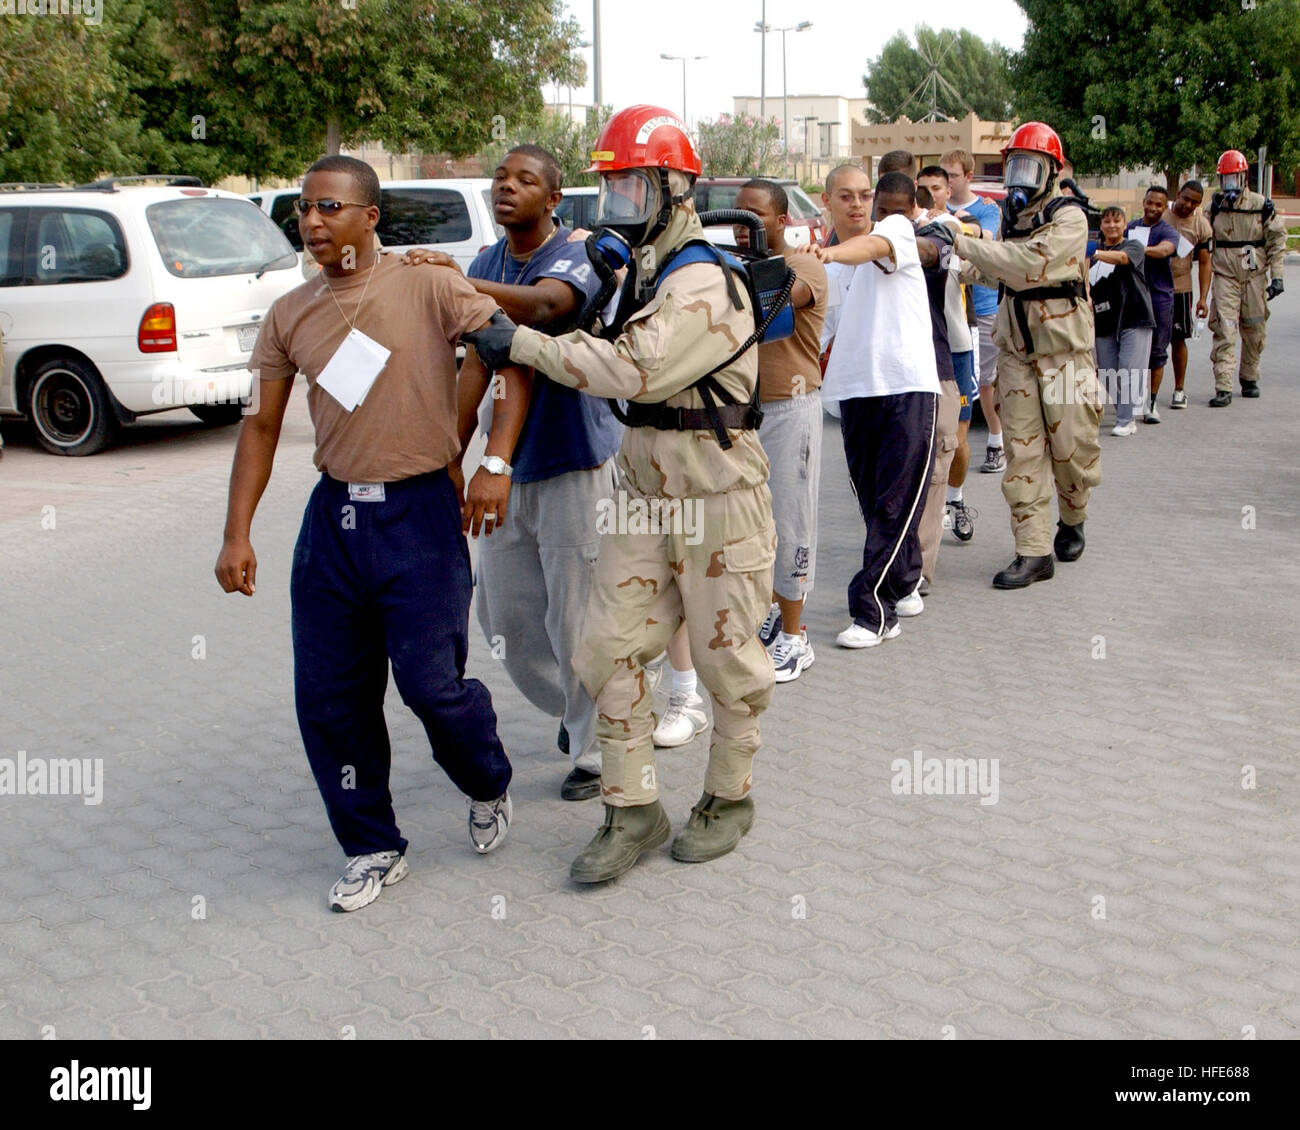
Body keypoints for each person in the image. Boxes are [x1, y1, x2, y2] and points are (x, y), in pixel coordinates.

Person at [465, 105, 775, 883]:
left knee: (726, 660)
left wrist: (520, 342)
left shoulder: (702, 277)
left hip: (716, 497)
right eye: (611, 191)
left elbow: (633, 371)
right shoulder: (637, 271)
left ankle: (728, 799)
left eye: (633, 190)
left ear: (675, 189)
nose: (618, 209)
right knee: (604, 649)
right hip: (642, 492)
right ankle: (631, 807)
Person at [215, 155, 516, 913]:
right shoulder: (291, 313)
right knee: (329, 698)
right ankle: (372, 844)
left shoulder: (431, 284)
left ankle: (486, 779)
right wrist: (236, 534)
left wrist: (497, 461)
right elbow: (259, 424)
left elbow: (514, 363)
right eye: (303, 210)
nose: (311, 222)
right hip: (335, 523)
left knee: (432, 687)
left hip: (419, 514)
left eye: (329, 208)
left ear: (369, 217)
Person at [404, 145, 618, 803]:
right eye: (500, 179)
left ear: (553, 197)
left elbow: (545, 310)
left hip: (574, 462)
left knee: (577, 619)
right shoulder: (487, 262)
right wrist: (449, 452)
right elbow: (478, 364)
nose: (508, 188)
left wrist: (463, 288)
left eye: (526, 181)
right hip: (509, 469)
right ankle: (588, 710)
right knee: (508, 618)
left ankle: (598, 750)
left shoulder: (573, 255)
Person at [950, 121, 1102, 589]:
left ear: (1052, 170)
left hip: (1064, 355)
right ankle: (1033, 550)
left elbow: (1029, 265)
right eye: (1014, 165)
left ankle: (1073, 517)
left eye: (1030, 166)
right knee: (1022, 451)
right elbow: (992, 270)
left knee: (1071, 450)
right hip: (1017, 353)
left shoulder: (1069, 219)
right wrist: (948, 261)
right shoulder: (1009, 220)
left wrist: (962, 242)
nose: (1020, 177)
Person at [803, 171, 938, 647]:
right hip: (854, 393)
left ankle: (873, 611)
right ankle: (903, 580)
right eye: (847, 197)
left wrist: (828, 252)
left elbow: (870, 249)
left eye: (866, 196)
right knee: (873, 501)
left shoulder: (894, 230)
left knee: (893, 502)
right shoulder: (827, 267)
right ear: (828, 201)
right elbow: (816, 333)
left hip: (906, 388)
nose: (859, 205)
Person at [734, 179, 828, 681]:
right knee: (755, 524)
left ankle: (796, 637)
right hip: (745, 415)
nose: (744, 223)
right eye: (738, 213)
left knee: (791, 521)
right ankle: (772, 615)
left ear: (781, 220)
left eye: (755, 214)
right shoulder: (730, 265)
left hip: (792, 410)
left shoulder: (804, 265)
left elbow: (768, 302)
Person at [917, 165, 978, 557]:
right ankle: (925, 508)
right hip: (919, 351)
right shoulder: (903, 231)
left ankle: (955, 500)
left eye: (935, 188)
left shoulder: (958, 228)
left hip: (955, 346)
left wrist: (951, 228)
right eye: (921, 189)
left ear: (948, 189)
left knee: (956, 439)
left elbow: (978, 253)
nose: (928, 196)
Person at [941, 148, 1007, 475]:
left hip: (980, 307)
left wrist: (964, 230)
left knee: (984, 383)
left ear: (968, 176)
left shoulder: (987, 210)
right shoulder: (935, 207)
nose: (947, 182)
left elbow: (990, 239)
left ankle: (996, 441)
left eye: (953, 175)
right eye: (943, 175)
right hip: (945, 307)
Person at [1206, 149, 1288, 406]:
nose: (1230, 184)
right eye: (1225, 179)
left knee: (1254, 328)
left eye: (1234, 178)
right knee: (1225, 329)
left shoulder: (1261, 205)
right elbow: (1200, 236)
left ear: (1243, 178)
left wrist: (1278, 278)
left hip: (1253, 275)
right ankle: (1224, 386)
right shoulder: (1214, 207)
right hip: (1225, 275)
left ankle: (1249, 377)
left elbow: (1277, 242)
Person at [1090, 206, 1155, 437]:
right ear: (1101, 226)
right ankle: (1127, 409)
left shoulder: (1133, 246)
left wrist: (1094, 253)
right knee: (1107, 371)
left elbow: (1123, 258)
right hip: (1105, 321)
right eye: (1106, 222)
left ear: (1125, 224)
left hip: (1134, 317)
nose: (1111, 226)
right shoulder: (1090, 256)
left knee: (1129, 368)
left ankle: (1127, 419)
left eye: (1116, 221)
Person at [1124, 187, 1179, 423]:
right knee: (1131, 351)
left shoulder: (1168, 231)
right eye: (1150, 203)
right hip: (1133, 296)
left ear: (1165, 207)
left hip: (1159, 297)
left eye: (1159, 205)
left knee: (1157, 352)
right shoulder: (1131, 228)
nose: (1153, 208)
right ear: (1143, 202)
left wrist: (1138, 250)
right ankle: (1131, 400)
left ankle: (1152, 403)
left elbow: (1166, 250)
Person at [1163, 180, 1212, 409]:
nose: (1189, 204)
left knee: (1178, 339)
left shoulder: (1201, 226)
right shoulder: (1161, 215)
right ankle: (1145, 393)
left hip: (1181, 289)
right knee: (1150, 341)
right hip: (1155, 287)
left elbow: (1204, 263)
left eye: (1195, 202)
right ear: (1179, 193)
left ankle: (1179, 390)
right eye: (1186, 198)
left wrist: (1203, 298)